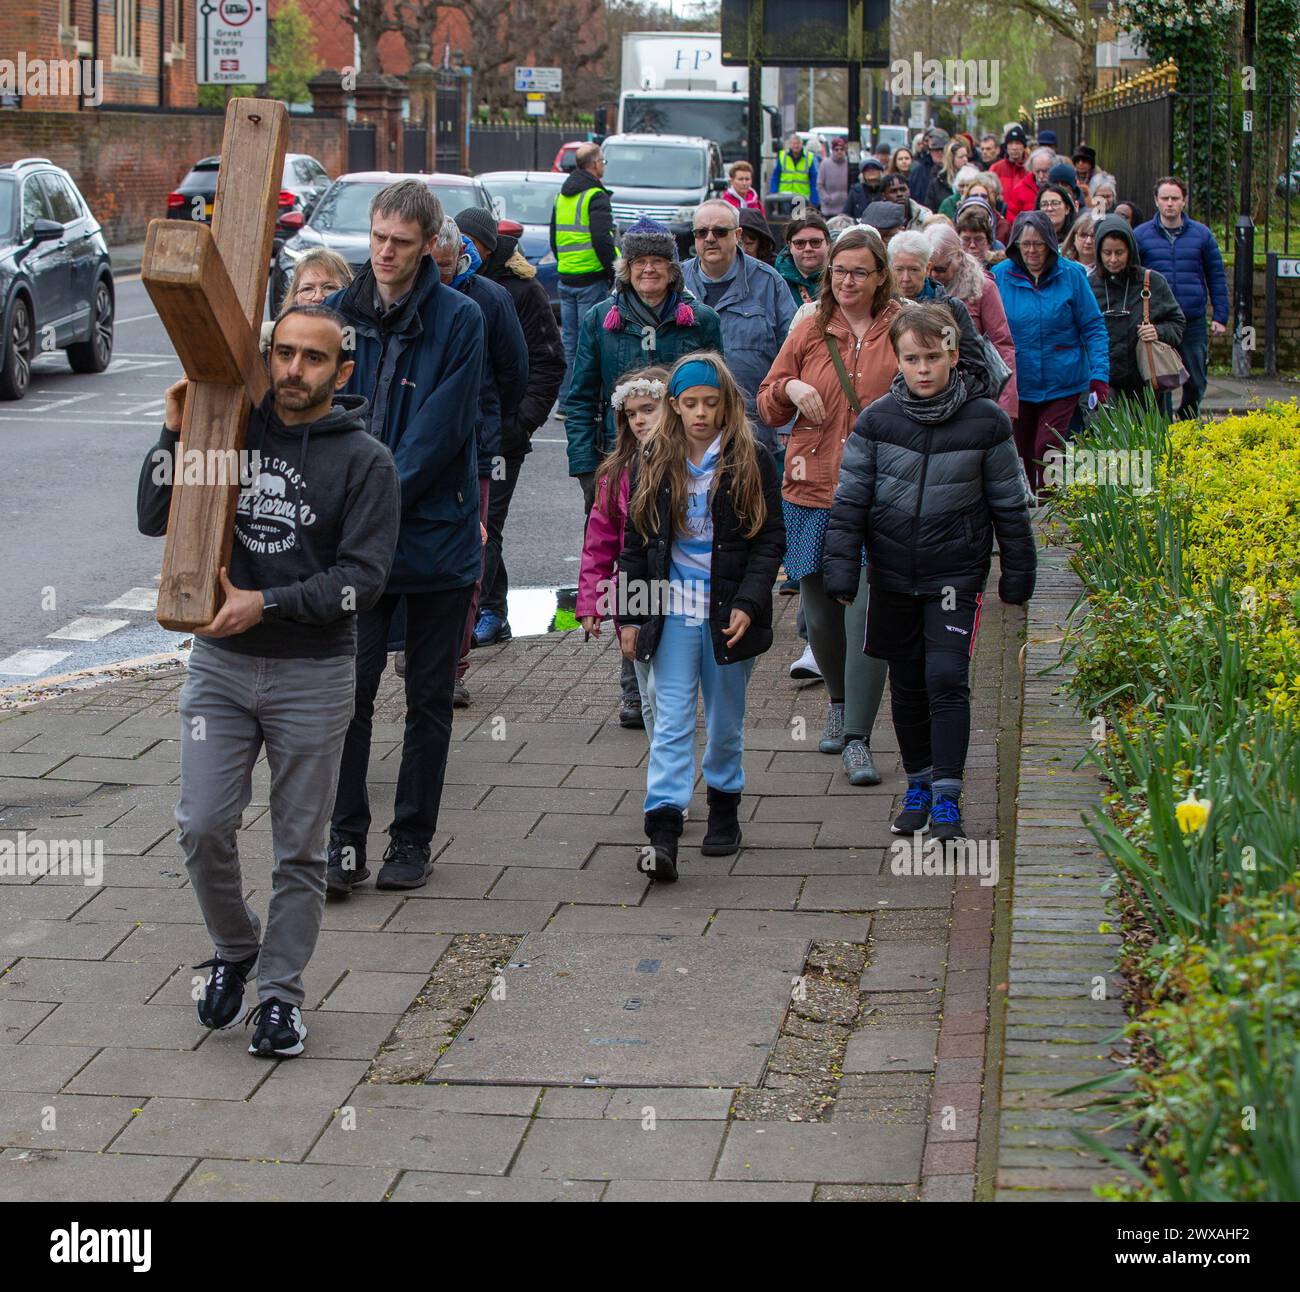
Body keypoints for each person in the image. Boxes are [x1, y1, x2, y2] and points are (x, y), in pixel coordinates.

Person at [137, 305, 401, 1057]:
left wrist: (268, 603)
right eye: (283, 353)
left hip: (313, 674)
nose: (293, 369)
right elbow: (155, 517)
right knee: (201, 825)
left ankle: (281, 998)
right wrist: (175, 430)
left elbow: (364, 581)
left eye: (313, 359)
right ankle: (235, 945)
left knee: (300, 850)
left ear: (341, 372)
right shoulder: (234, 432)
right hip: (220, 669)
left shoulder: (365, 463)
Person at [822, 302, 1035, 843]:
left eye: (933, 357)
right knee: (909, 684)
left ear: (953, 355)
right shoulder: (877, 420)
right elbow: (850, 503)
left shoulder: (985, 421)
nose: (922, 369)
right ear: (898, 358)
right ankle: (917, 784)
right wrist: (842, 571)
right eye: (912, 358)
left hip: (953, 579)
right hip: (891, 575)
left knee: (946, 679)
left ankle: (947, 795)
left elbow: (1009, 503)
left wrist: (1018, 571)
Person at [325, 179, 485, 894]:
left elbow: (445, 428)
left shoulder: (460, 318)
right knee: (347, 695)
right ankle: (344, 840)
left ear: (428, 246)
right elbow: (323, 416)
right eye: (378, 238)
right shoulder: (338, 314)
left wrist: (372, 496)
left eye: (400, 243)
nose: (385, 253)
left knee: (426, 699)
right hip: (358, 545)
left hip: (437, 535)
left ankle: (411, 842)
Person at [620, 353, 784, 881]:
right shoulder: (655, 457)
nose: (700, 413)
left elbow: (769, 540)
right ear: (674, 405)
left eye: (711, 403)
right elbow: (634, 543)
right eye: (689, 403)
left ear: (727, 405)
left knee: (724, 718)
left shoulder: (750, 457)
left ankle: (724, 809)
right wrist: (627, 614)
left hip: (728, 611)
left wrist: (750, 602)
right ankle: (662, 829)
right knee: (669, 719)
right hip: (670, 611)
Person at [758, 227, 901, 786]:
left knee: (865, 611)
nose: (846, 281)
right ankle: (838, 703)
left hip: (880, 493)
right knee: (819, 610)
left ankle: (860, 738)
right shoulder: (810, 328)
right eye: (839, 271)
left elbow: (933, 385)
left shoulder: (903, 326)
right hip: (810, 488)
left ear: (880, 275)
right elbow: (767, 403)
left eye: (859, 271)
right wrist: (790, 388)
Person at [425, 218, 529, 709]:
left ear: (461, 257)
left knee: (468, 556)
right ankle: (417, 646)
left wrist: (494, 431)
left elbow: (515, 372)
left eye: (446, 268)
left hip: (476, 453)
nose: (438, 278)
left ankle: (451, 668)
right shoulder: (405, 294)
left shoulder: (489, 299)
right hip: (413, 448)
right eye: (431, 268)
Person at [455, 205, 565, 652]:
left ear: (488, 247)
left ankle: (485, 612)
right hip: (459, 431)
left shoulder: (522, 291)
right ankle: (493, 608)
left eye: (471, 243)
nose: (463, 250)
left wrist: (519, 425)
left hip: (501, 435)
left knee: (487, 524)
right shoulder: (445, 283)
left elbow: (547, 363)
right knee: (472, 523)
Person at [566, 214, 723, 516]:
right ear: (626, 269)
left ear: (672, 268)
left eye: (658, 260)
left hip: (685, 458)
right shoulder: (599, 319)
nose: (648, 269)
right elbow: (581, 399)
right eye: (639, 261)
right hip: (618, 457)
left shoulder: (702, 320)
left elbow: (718, 399)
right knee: (612, 550)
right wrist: (586, 468)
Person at [992, 210, 1109, 496]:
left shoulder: (1071, 275)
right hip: (1018, 381)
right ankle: (1028, 508)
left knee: (1047, 445)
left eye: (1039, 244)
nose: (1032, 251)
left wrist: (1099, 375)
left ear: (1051, 244)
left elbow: (1093, 327)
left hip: (1062, 379)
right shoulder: (1000, 277)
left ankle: (1052, 504)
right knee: (1021, 449)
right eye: (1025, 244)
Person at [577, 366, 668, 732]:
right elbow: (599, 543)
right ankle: (635, 698)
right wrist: (589, 602)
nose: (639, 421)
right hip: (633, 583)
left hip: (676, 583)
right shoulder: (616, 472)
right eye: (631, 414)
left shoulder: (687, 463)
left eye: (648, 409)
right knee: (642, 678)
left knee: (665, 685)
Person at [682, 199, 794, 455]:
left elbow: (793, 355)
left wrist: (786, 424)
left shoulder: (769, 282)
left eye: (720, 231)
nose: (710, 238)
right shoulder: (676, 284)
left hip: (753, 427)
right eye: (702, 232)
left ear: (738, 235)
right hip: (688, 429)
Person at [1133, 177, 1228, 420]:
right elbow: (1132, 278)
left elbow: (1216, 275)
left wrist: (1220, 315)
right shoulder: (1141, 235)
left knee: (1196, 379)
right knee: (1160, 378)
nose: (1170, 203)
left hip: (1192, 319)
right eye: (1165, 198)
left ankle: (1186, 421)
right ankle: (1163, 428)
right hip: (1157, 320)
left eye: (1175, 198)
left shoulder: (1202, 235)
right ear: (1156, 201)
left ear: (1184, 201)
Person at [886, 230, 998, 404]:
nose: (905, 278)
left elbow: (970, 362)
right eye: (899, 270)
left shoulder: (950, 311)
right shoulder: (882, 310)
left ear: (928, 268)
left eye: (914, 270)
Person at [1091, 215, 1185, 414]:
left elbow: (1177, 323)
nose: (1113, 259)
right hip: (1103, 381)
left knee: (1144, 441)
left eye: (1120, 253)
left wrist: (1158, 331)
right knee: (1108, 441)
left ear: (1131, 251)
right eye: (1107, 253)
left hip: (1144, 383)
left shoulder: (1152, 282)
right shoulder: (1090, 285)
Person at [926, 222, 1018, 420]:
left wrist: (1005, 405)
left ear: (958, 256)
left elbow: (1002, 345)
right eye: (928, 268)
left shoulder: (983, 288)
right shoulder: (920, 287)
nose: (933, 275)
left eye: (940, 269)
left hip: (973, 389)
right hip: (930, 388)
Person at [552, 142, 617, 416]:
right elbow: (603, 239)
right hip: (591, 278)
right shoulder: (595, 196)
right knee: (591, 343)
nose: (603, 166)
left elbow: (554, 237)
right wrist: (612, 271)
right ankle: (589, 402)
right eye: (602, 161)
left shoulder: (562, 195)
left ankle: (565, 403)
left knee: (570, 343)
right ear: (594, 164)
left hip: (566, 277)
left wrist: (565, 262)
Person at [260, 249, 353, 353]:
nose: (318, 297)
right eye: (307, 289)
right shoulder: (271, 337)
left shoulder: (360, 340)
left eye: (329, 287)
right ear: (295, 298)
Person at [775, 212, 832, 306]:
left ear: (828, 243)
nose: (808, 248)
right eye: (800, 243)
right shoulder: (776, 282)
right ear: (790, 247)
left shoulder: (843, 278)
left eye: (815, 242)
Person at [991, 125, 1038, 221]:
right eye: (1011, 143)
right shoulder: (996, 168)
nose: (1014, 147)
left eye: (1018, 143)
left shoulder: (1032, 168)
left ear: (1024, 146)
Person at [771, 133, 820, 208]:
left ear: (802, 144)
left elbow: (814, 180)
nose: (796, 146)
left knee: (798, 219)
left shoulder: (809, 158)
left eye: (798, 143)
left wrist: (814, 200)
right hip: (784, 197)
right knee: (784, 219)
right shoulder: (782, 156)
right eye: (793, 143)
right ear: (790, 144)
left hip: (801, 197)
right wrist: (773, 193)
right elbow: (775, 177)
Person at [925, 138, 972, 213]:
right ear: (951, 159)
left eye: (966, 156)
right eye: (961, 157)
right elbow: (929, 209)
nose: (965, 160)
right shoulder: (937, 183)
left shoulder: (973, 178)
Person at [955, 199, 1003, 266]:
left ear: (988, 242)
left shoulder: (999, 269)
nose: (972, 245)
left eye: (978, 239)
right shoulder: (949, 269)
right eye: (966, 239)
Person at [909, 127, 949, 204]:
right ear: (929, 151)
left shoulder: (954, 170)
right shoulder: (919, 172)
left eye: (942, 149)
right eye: (936, 150)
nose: (939, 153)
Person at [820, 135, 852, 217]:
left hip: (845, 209)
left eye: (841, 149)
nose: (839, 151)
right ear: (832, 150)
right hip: (829, 209)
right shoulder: (825, 164)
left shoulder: (849, 165)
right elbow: (820, 184)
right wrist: (826, 198)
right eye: (836, 149)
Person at [1061, 210, 1098, 274]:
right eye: (1083, 235)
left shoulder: (1107, 269)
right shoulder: (1060, 265)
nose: (1088, 241)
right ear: (1073, 237)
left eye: (1093, 236)